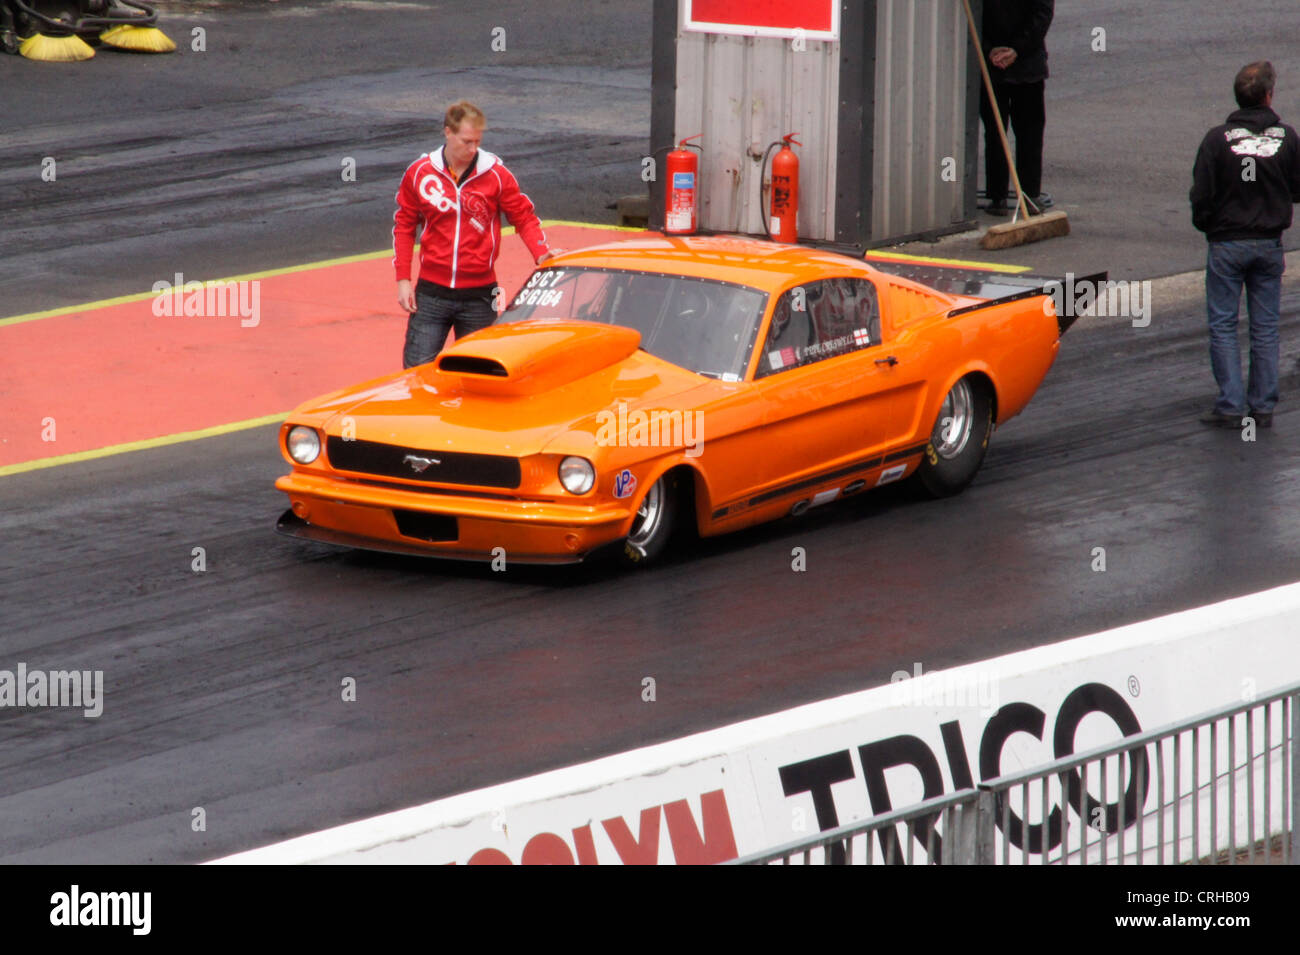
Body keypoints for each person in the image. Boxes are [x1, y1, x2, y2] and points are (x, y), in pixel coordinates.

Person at [393, 101, 554, 368]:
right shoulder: (419, 172)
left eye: (477, 142)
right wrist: (402, 279)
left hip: (481, 296)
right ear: (448, 132)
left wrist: (541, 253)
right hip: (431, 294)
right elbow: (405, 225)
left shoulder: (497, 175)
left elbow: (523, 217)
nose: (473, 149)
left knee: (479, 375)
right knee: (416, 374)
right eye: (466, 141)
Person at [1190, 62, 1300, 428]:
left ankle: (1230, 405)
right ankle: (1263, 406)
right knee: (1265, 326)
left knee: (1223, 324)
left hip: (1227, 243)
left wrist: (1209, 226)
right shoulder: (1287, 137)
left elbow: (1201, 196)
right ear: (1268, 96)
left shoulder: (1215, 140)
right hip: (1268, 244)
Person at [978, 0, 1055, 216]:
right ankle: (1009, 195)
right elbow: (1043, 14)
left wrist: (1009, 49)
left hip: (1022, 63)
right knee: (1000, 132)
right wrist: (994, 49)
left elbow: (1042, 14)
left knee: (1020, 132)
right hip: (1006, 63)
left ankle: (1017, 195)